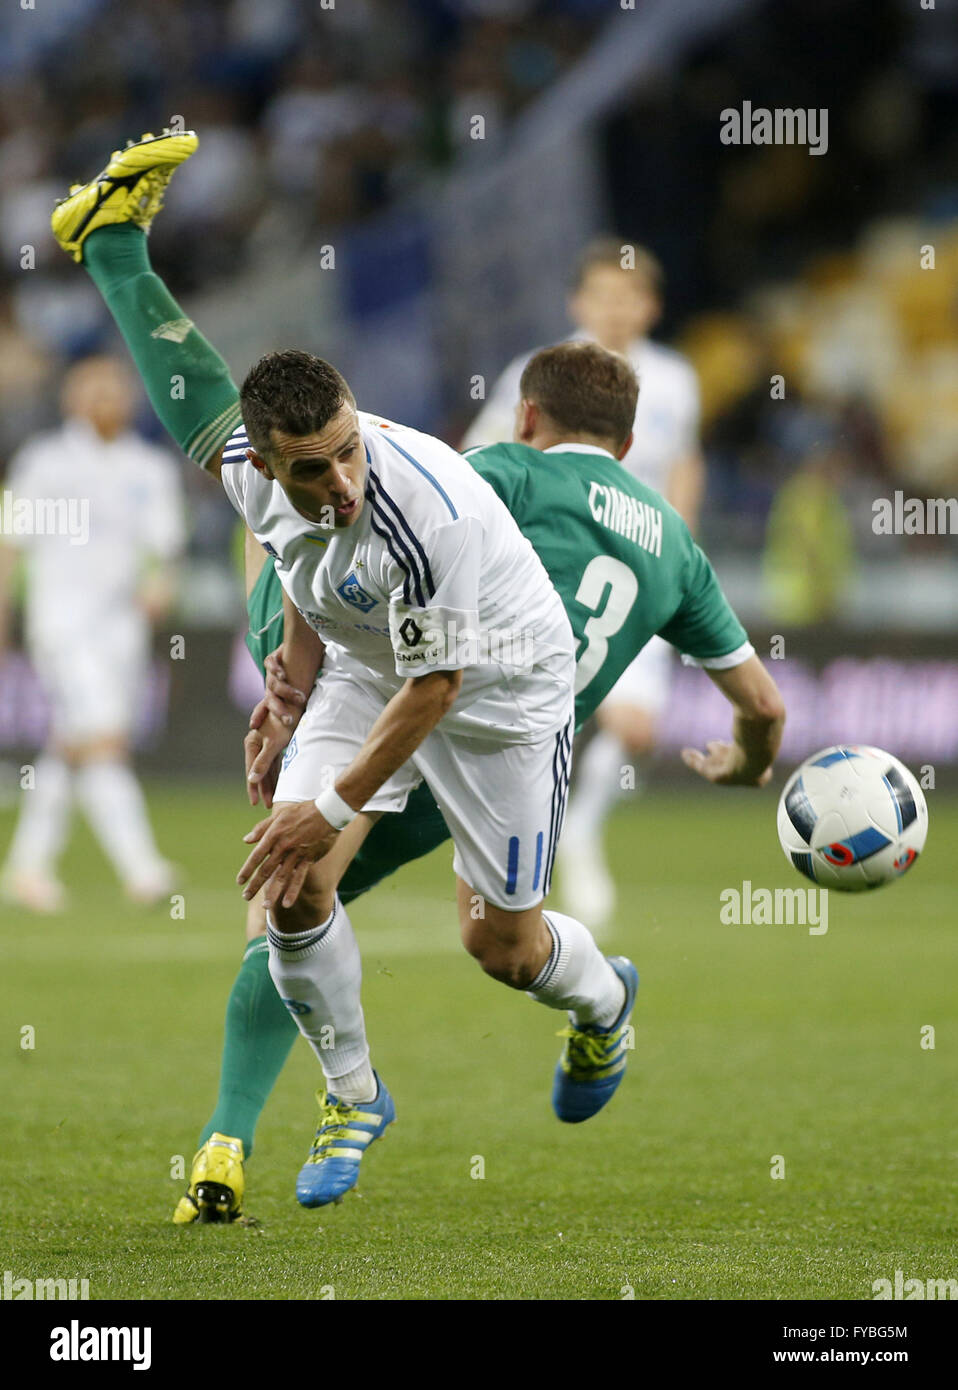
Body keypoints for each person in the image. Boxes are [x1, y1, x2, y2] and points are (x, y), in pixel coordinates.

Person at [51, 131, 641, 1216]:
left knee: (501, 945)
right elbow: (222, 438)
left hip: (503, 699)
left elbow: (438, 689)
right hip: (373, 673)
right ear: (266, 460)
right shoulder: (258, 478)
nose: (338, 481)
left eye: (346, 451)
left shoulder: (433, 511)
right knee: (288, 888)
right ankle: (355, 1092)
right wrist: (288, 683)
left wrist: (324, 803)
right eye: (309, 466)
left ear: (357, 418)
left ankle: (605, 1005)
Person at [464, 238, 706, 927]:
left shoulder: (676, 379)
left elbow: (685, 461)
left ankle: (576, 831)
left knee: (635, 729)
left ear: (652, 306)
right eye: (603, 294)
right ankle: (511, 855)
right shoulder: (539, 372)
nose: (616, 308)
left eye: (630, 296)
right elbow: (482, 456)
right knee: (535, 717)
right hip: (551, 571)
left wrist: (680, 546)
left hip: (638, 569)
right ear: (577, 301)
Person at [0, 355, 184, 910]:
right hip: (61, 622)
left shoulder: (148, 468)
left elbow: (166, 549)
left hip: (121, 630)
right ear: (72, 400)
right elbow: (12, 545)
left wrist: (161, 585)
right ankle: (143, 869)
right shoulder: (45, 462)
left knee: (74, 741)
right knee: (104, 738)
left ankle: (27, 867)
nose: (110, 399)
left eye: (118, 390)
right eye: (97, 390)